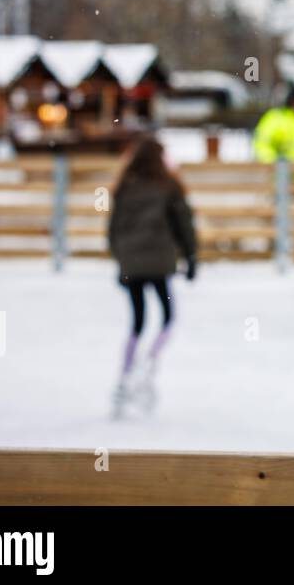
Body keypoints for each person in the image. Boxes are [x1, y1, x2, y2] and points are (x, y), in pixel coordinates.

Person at [106, 134, 197, 416]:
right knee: (168, 317)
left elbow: (113, 229)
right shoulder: (168, 186)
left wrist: (120, 259)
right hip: (159, 266)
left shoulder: (124, 187)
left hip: (132, 266)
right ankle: (149, 363)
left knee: (137, 322)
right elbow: (184, 224)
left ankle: (124, 375)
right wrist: (191, 256)